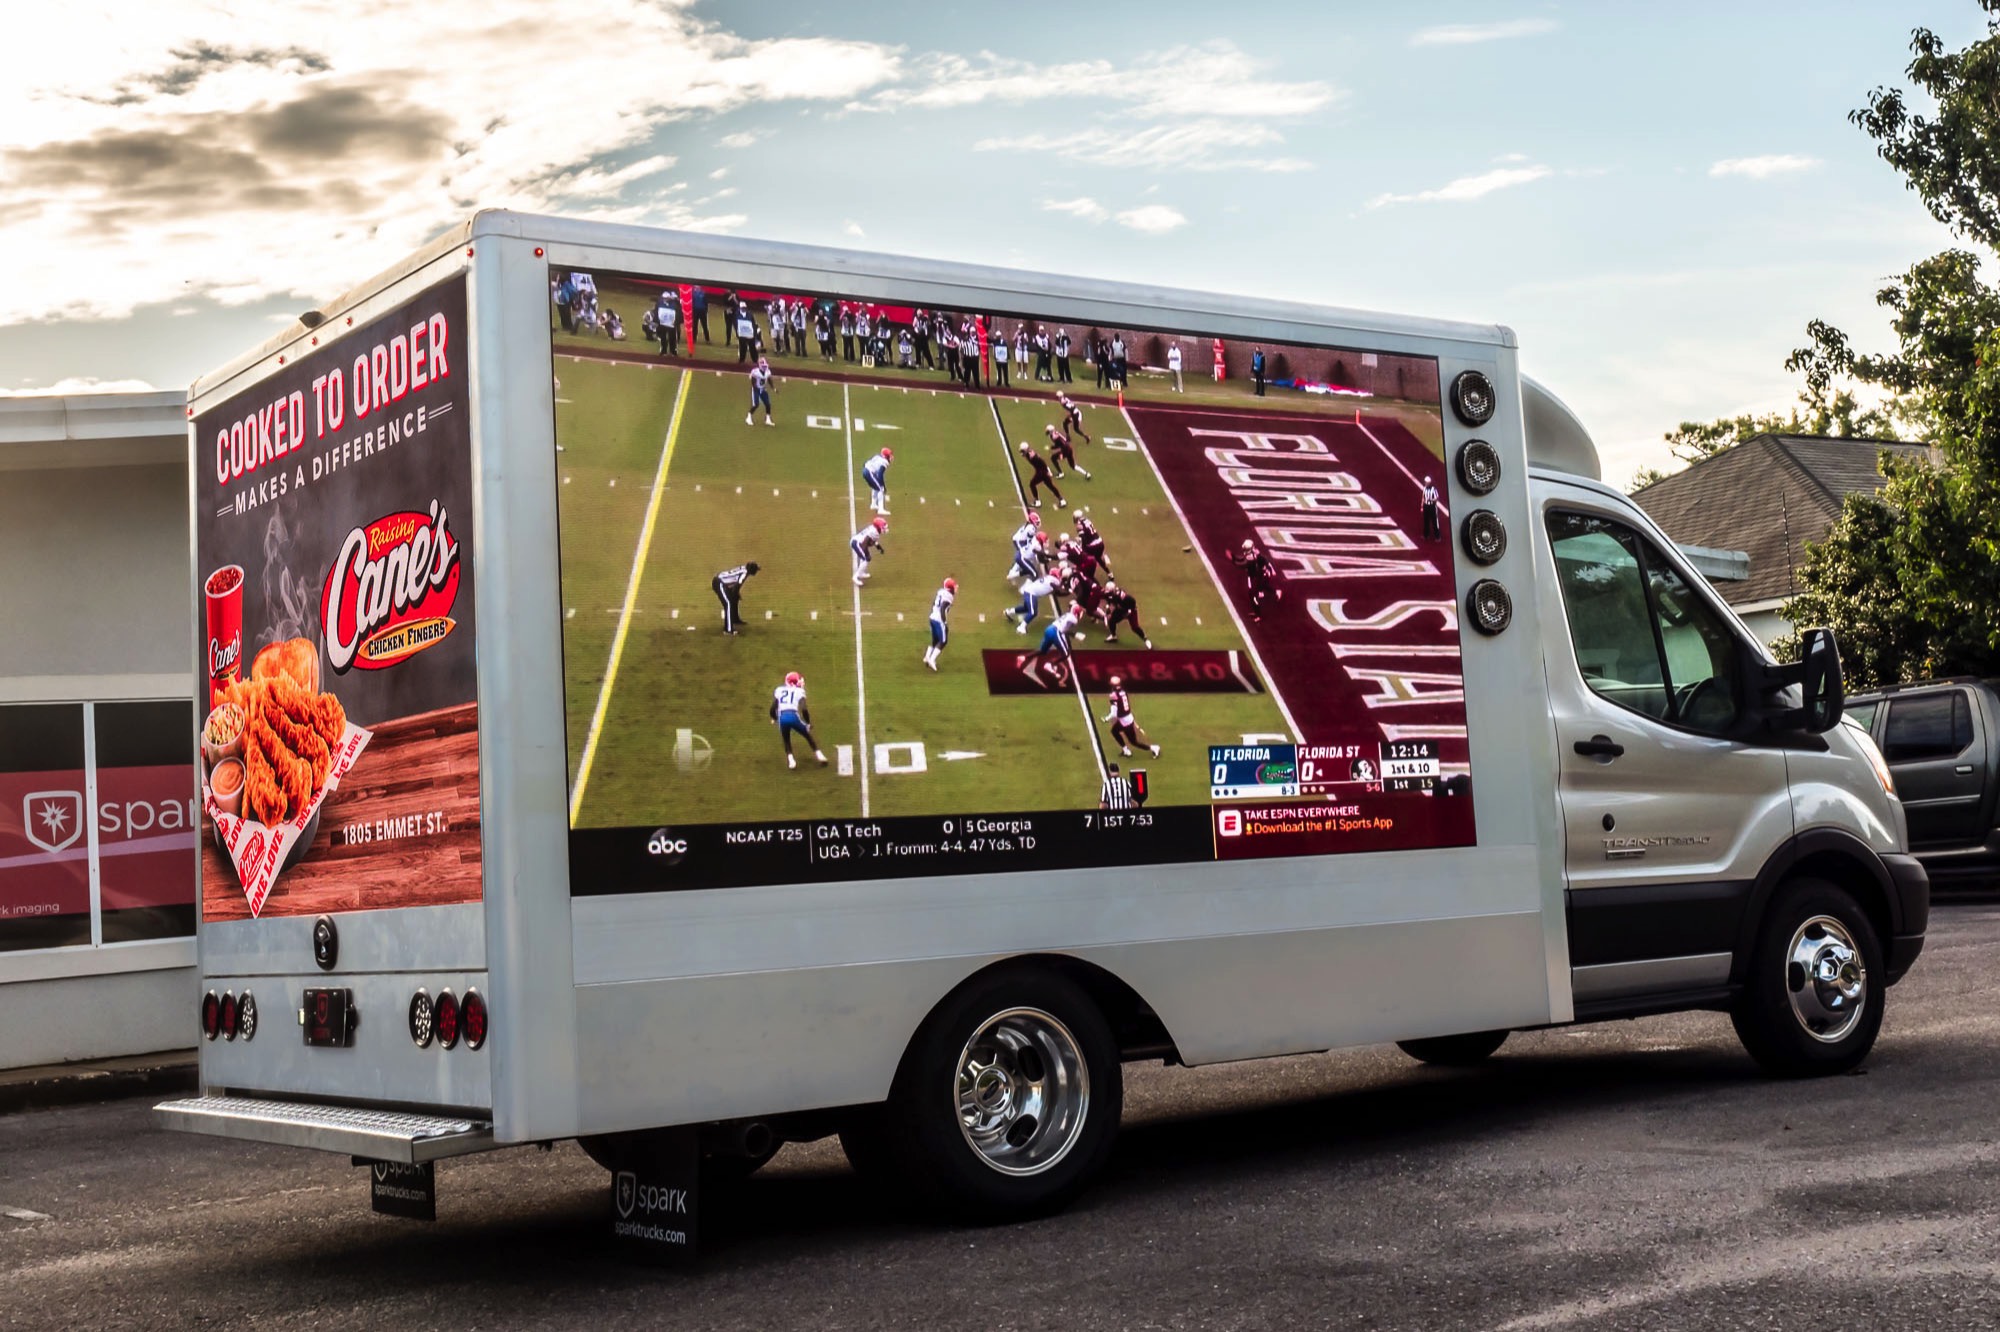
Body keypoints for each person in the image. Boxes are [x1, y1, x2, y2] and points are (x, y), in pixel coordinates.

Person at [770, 671, 828, 770]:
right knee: (807, 735)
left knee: (786, 739)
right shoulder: (799, 692)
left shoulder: (779, 690)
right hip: (793, 717)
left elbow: (772, 709)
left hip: (782, 718)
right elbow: (804, 709)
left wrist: (775, 719)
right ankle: (819, 755)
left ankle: (791, 760)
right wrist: (808, 723)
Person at [1103, 675, 1161, 758]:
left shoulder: (1113, 695)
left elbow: (1114, 713)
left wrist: (1106, 719)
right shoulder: (1123, 691)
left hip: (1125, 721)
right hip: (1127, 717)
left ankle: (1154, 748)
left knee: (1134, 742)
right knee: (1114, 731)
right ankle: (1125, 750)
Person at [1231, 538, 1280, 620]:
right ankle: (1274, 593)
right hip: (1255, 575)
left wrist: (1233, 561)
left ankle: (1258, 615)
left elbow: (1243, 564)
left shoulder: (1251, 557)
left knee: (1253, 595)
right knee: (1257, 590)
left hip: (1258, 576)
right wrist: (1234, 557)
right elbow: (1243, 559)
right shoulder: (1253, 554)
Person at [712, 561, 759, 634]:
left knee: (734, 598)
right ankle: (728, 630)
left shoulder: (743, 568)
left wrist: (736, 595)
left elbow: (735, 585)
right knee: (728, 604)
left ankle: (735, 619)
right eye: (756, 570)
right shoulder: (744, 574)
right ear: (752, 571)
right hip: (719, 583)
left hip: (723, 582)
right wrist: (735, 593)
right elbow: (737, 586)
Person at [1101, 582, 1152, 648]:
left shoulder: (1121, 596)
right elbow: (1108, 598)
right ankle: (1114, 636)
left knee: (1135, 627)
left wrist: (1129, 612)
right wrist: (1108, 607)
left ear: (1113, 590)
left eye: (1109, 591)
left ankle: (1146, 640)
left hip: (1130, 609)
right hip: (1120, 610)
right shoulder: (1109, 593)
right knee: (1111, 621)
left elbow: (1132, 601)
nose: (1108, 592)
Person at [922, 577, 957, 671]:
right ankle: (931, 659)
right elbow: (942, 608)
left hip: (932, 617)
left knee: (936, 640)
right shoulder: (949, 596)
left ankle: (927, 656)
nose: (956, 587)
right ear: (950, 588)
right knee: (943, 641)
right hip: (938, 620)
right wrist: (944, 621)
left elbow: (935, 603)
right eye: (954, 586)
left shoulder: (941, 591)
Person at [1019, 440, 1064, 508]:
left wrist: (1048, 471)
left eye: (1023, 450)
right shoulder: (1029, 452)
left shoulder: (1032, 456)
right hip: (1042, 471)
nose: (1022, 452)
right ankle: (1062, 500)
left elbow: (1042, 462)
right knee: (1050, 486)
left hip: (1041, 472)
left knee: (1032, 484)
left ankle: (1037, 501)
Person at [851, 515, 887, 585]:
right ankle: (855, 577)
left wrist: (879, 547)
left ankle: (861, 573)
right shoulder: (874, 532)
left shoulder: (874, 530)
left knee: (868, 558)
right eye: (883, 526)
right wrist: (864, 551)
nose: (884, 528)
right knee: (865, 559)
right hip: (857, 543)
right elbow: (866, 541)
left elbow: (872, 541)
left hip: (859, 542)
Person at [1008, 512, 1045, 581]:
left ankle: (1016, 569)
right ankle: (1013, 572)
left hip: (1020, 539)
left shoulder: (1030, 526)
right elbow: (1029, 541)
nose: (1038, 524)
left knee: (1024, 555)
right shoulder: (1031, 529)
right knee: (1023, 555)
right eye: (1036, 522)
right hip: (1019, 541)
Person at [1073, 513, 1112, 577]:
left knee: (1081, 556)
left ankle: (1083, 574)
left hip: (1093, 546)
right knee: (1098, 558)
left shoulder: (1079, 526)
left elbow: (1083, 540)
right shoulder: (1087, 520)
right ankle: (1109, 573)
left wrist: (1080, 545)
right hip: (1100, 543)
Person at [745, 357, 776, 426]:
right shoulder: (755, 372)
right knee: (756, 404)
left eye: (765, 366)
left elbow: (769, 380)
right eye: (763, 366)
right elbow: (753, 382)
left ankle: (768, 419)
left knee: (768, 404)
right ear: (760, 365)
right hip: (756, 389)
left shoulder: (768, 371)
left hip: (763, 389)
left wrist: (773, 388)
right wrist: (757, 390)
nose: (764, 367)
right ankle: (748, 417)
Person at [862, 447, 893, 515]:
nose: (891, 456)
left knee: (876, 487)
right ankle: (881, 509)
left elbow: (865, 463)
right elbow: (880, 474)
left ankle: (873, 504)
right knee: (880, 489)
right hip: (869, 473)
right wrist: (883, 486)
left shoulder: (877, 456)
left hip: (865, 470)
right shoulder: (884, 462)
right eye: (889, 455)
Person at [655, 290, 680, 357]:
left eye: (666, 298)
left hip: (671, 324)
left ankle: (673, 351)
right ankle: (663, 351)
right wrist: (657, 321)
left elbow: (677, 313)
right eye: (664, 297)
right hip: (662, 323)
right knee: (663, 338)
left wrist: (676, 322)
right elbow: (656, 311)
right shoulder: (659, 303)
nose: (665, 299)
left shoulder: (674, 304)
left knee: (672, 338)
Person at [1421, 475, 1443, 542]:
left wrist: (1431, 499)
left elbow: (1437, 498)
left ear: (1429, 482)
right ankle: (1426, 535)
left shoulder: (1434, 489)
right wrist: (1422, 506)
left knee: (1435, 522)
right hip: (1426, 506)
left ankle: (1437, 536)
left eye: (1426, 482)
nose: (1425, 483)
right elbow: (1423, 497)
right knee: (1426, 521)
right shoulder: (1424, 488)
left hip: (1432, 507)